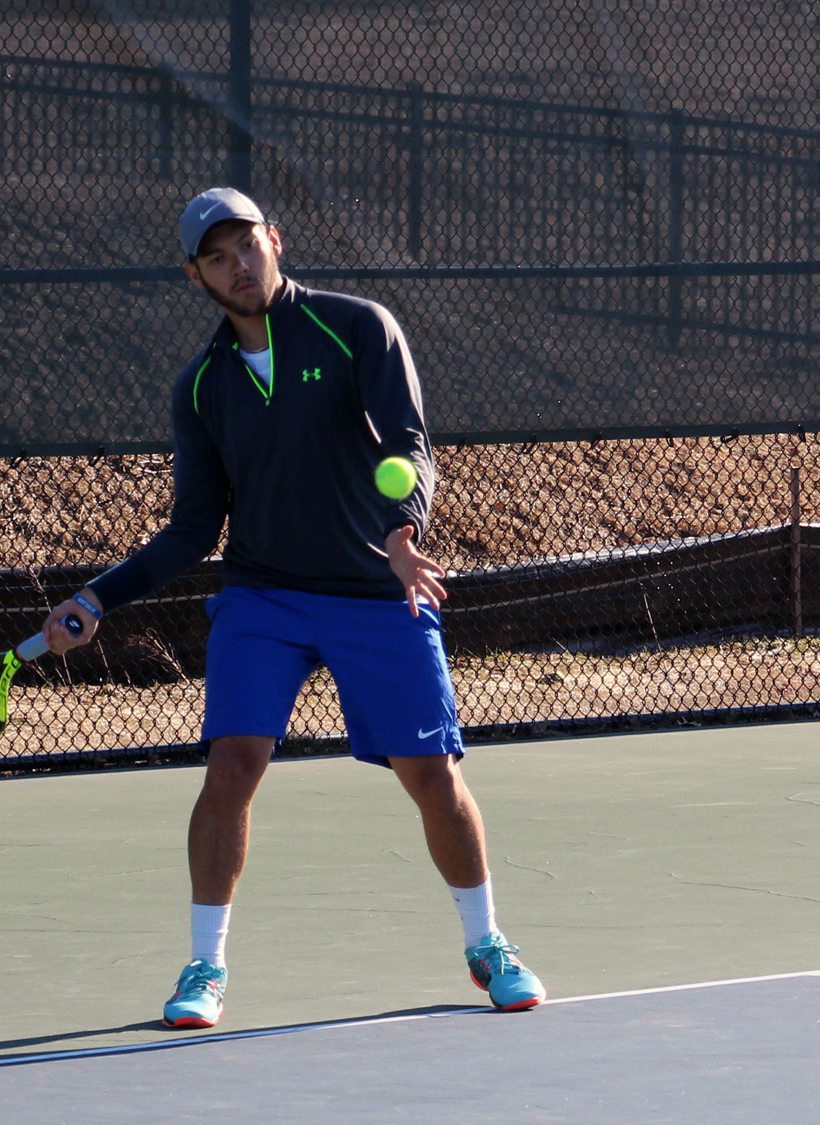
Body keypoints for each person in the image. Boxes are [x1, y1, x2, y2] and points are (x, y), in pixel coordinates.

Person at [40, 187, 543, 1030]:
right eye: (217, 256)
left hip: (380, 590)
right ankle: (205, 965)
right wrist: (98, 596)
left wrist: (402, 532)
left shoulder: (358, 328)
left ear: (276, 241)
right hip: (264, 594)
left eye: (249, 246)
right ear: (196, 276)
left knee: (432, 776)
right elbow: (196, 525)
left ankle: (487, 942)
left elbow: (409, 447)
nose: (239, 265)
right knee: (231, 765)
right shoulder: (201, 388)